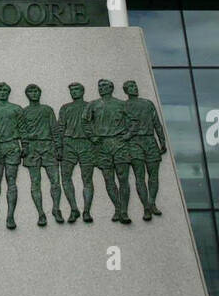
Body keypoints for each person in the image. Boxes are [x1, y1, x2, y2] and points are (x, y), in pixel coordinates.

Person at [83, 79, 135, 224]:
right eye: (99, 86)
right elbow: (85, 122)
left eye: (105, 86)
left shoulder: (121, 104)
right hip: (102, 145)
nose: (101, 88)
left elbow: (133, 121)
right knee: (108, 179)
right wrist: (92, 136)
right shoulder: (93, 104)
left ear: (111, 88)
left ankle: (124, 211)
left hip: (119, 144)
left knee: (123, 178)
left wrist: (127, 135)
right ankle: (117, 208)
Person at [18, 83, 62, 226]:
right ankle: (41, 213)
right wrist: (24, 146)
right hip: (32, 148)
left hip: (48, 146)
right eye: (31, 91)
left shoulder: (47, 110)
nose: (34, 93)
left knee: (55, 181)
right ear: (27, 94)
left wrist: (58, 147)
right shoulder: (23, 111)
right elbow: (22, 131)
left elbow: (55, 129)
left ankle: (56, 208)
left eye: (36, 91)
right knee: (35, 183)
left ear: (40, 93)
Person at [123, 80, 167, 220]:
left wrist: (162, 141)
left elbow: (157, 123)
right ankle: (146, 207)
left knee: (153, 175)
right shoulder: (124, 106)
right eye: (130, 87)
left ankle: (152, 202)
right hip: (135, 142)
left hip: (150, 140)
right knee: (139, 176)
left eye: (135, 86)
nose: (134, 88)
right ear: (126, 90)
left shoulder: (148, 103)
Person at [57, 82, 96, 222]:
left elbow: (96, 125)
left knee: (87, 178)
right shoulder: (65, 107)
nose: (74, 92)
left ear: (83, 91)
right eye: (72, 90)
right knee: (66, 177)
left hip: (86, 144)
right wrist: (59, 147)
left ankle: (86, 211)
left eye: (77, 89)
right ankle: (74, 209)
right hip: (69, 144)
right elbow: (60, 127)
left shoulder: (90, 106)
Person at [0, 82, 23, 229]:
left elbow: (22, 128)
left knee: (11, 180)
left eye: (5, 90)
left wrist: (24, 145)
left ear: (9, 92)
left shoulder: (16, 108)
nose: (2, 92)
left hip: (12, 146)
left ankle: (10, 215)